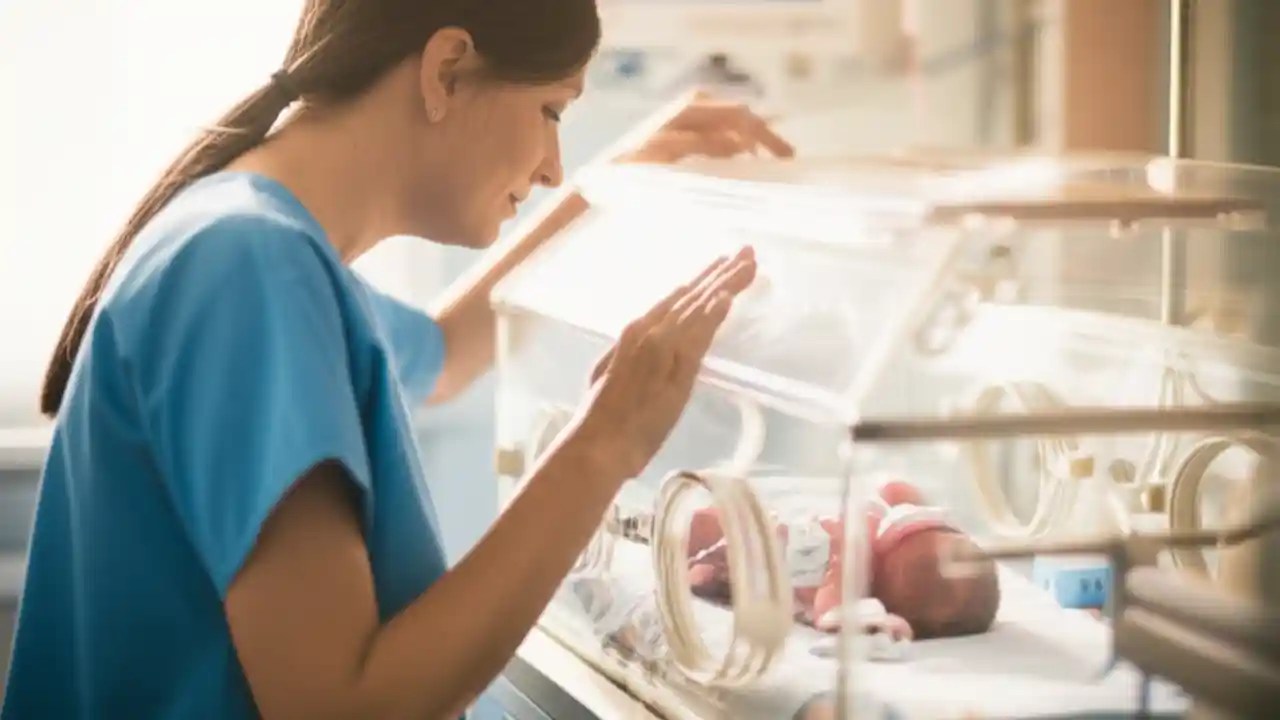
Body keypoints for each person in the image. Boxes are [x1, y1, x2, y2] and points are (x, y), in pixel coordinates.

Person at [1, 1, 795, 717]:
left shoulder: (258, 245)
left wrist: (610, 188)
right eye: (551, 111)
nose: (554, 168)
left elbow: (444, 353)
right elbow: (342, 708)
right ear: (447, 69)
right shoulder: (246, 266)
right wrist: (605, 444)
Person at [686, 478, 1000, 640]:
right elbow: (894, 491)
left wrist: (860, 619)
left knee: (699, 528)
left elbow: (830, 612)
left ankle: (678, 546)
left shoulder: (855, 560)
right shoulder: (878, 541)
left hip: (750, 553)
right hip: (772, 532)